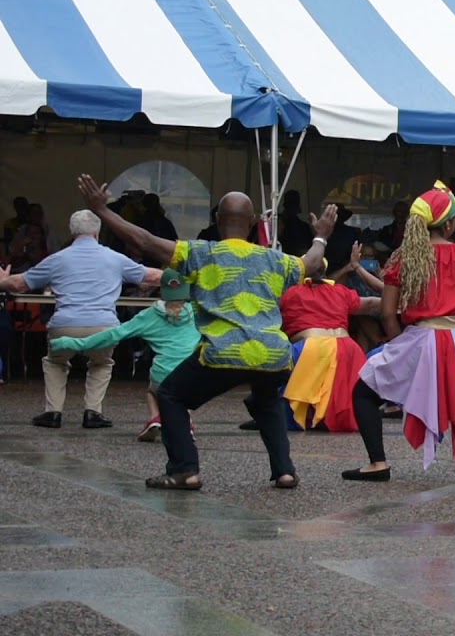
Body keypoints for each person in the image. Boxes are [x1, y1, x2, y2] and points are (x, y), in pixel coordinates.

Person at [77, 174, 334, 490]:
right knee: (266, 400)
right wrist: (321, 236)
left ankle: (185, 470)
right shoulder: (275, 259)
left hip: (225, 349)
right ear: (253, 222)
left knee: (170, 394)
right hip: (273, 353)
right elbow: (312, 262)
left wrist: (102, 211)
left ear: (217, 220)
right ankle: (285, 472)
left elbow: (144, 241)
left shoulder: (199, 253)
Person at [342, 181, 455, 483]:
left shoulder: (404, 257)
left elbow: (388, 312)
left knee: (364, 391)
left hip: (421, 338)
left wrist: (400, 347)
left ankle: (378, 463)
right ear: (448, 225)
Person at [0, 209, 161, 430]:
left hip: (64, 324)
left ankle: (53, 413)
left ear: (72, 231)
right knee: (101, 363)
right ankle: (93, 412)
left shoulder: (56, 259)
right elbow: (153, 276)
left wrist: (3, 280)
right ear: (97, 232)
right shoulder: (115, 258)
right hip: (103, 326)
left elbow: (19, 284)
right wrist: (182, 277)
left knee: (55, 362)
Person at [48, 269, 199, 442]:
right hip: (190, 372)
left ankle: (155, 419)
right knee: (185, 394)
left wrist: (74, 343)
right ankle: (185, 423)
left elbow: (114, 334)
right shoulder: (197, 313)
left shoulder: (149, 316)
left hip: (162, 373)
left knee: (153, 392)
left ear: (162, 290)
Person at [269, 251, 382, 433]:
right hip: (348, 349)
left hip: (310, 348)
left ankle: (283, 416)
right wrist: (395, 295)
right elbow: (371, 303)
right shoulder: (340, 291)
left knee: (273, 372)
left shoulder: (291, 293)